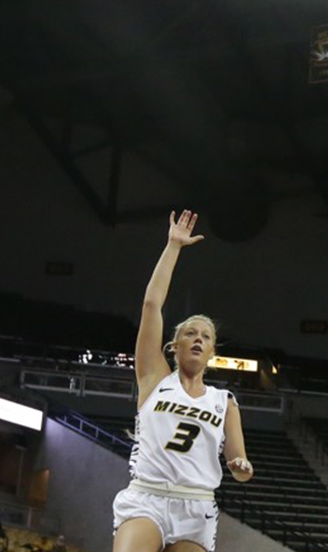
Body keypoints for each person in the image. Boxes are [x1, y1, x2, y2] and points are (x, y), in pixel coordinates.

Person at [110, 210, 251, 552]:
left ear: (212, 352)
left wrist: (239, 465)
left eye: (205, 335)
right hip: (147, 497)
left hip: (196, 507)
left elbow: (240, 465)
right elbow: (151, 304)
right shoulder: (154, 378)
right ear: (175, 346)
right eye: (190, 333)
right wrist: (173, 246)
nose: (198, 338)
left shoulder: (224, 402)